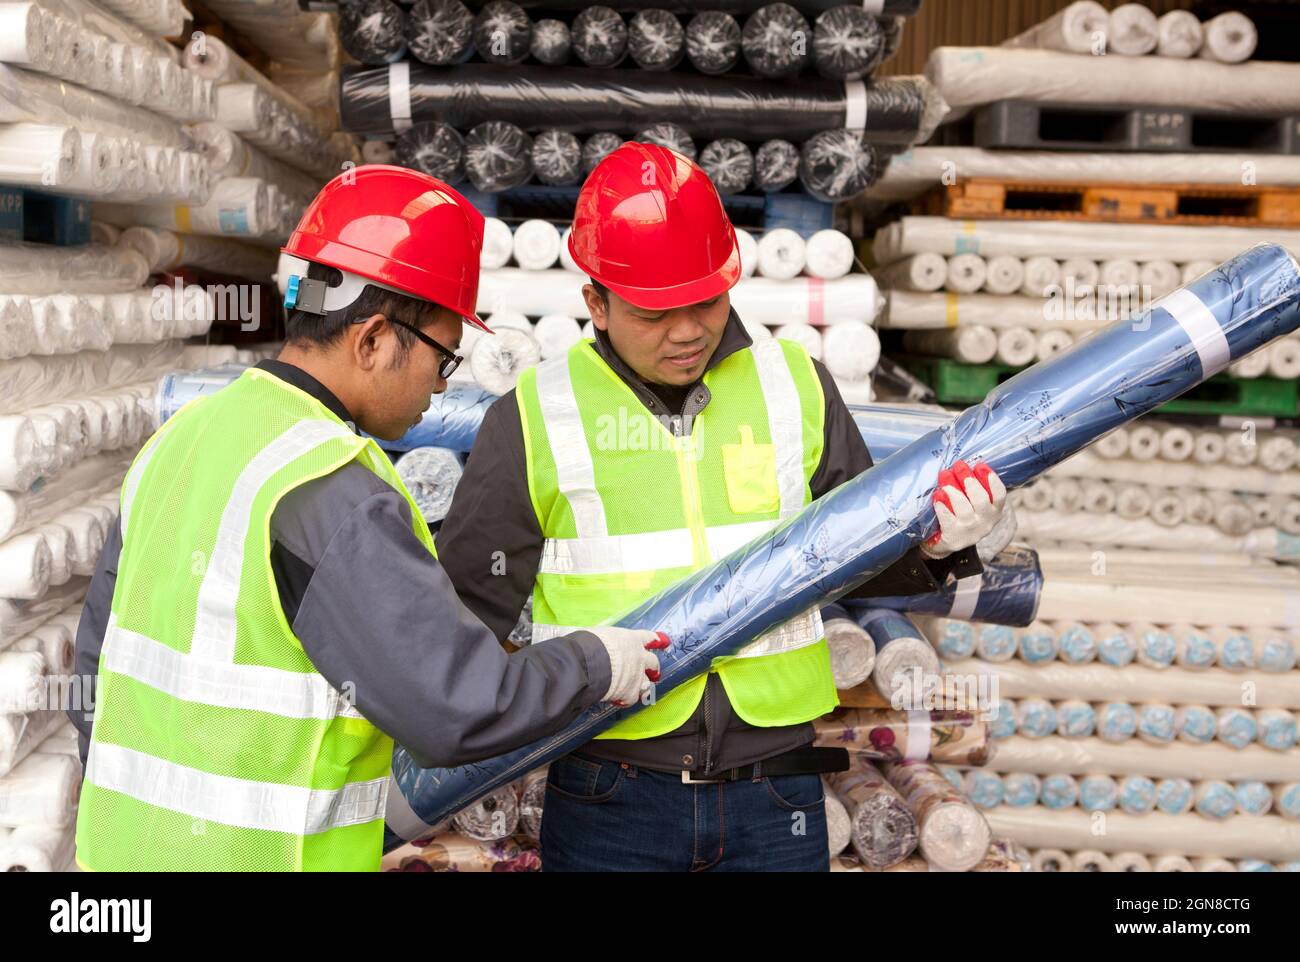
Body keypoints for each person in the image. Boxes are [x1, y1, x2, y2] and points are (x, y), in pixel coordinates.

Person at [69, 166, 663, 871]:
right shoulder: (331, 486)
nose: (441, 389)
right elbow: (458, 704)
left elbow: (95, 668)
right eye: (443, 359)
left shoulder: (185, 435)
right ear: (375, 338)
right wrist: (599, 661)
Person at [436, 143, 1008, 872]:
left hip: (777, 793)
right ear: (596, 304)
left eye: (705, 300)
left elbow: (859, 567)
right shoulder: (534, 414)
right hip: (611, 791)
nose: (686, 331)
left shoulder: (793, 383)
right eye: (655, 311)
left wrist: (938, 548)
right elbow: (467, 610)